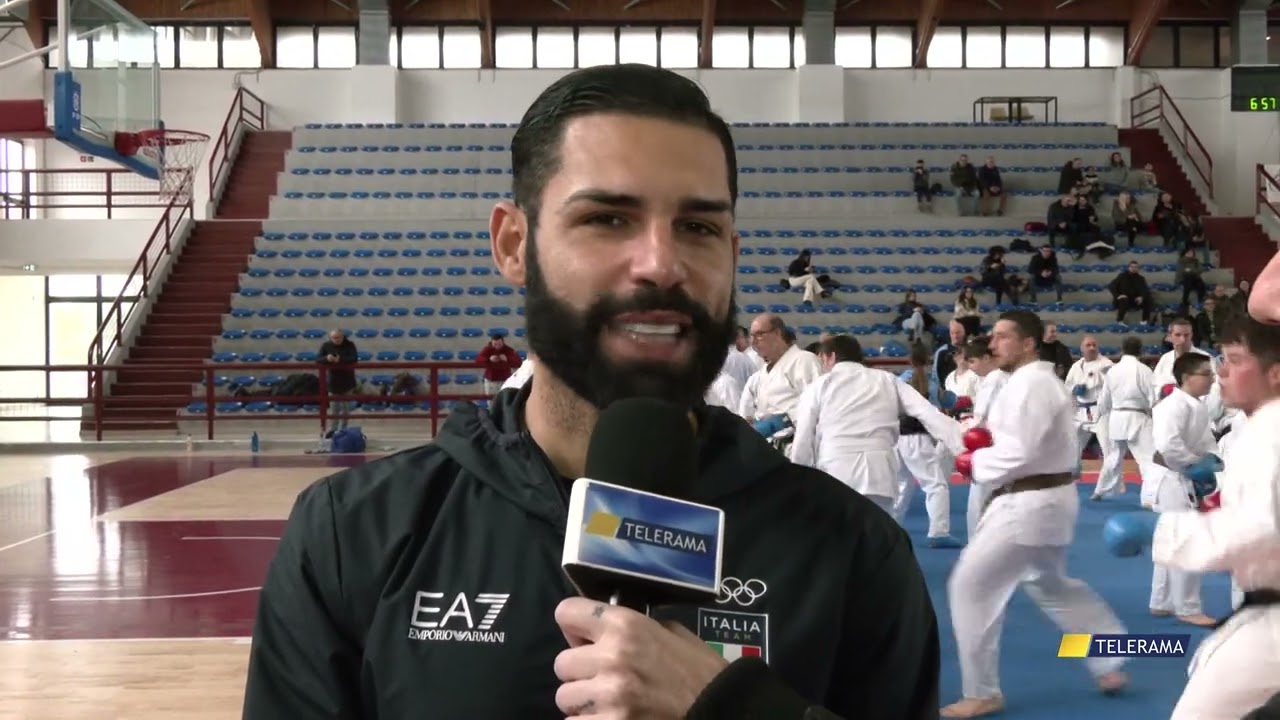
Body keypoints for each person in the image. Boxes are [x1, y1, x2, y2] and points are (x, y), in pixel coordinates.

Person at [241, 64, 941, 720]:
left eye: (698, 227)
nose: (661, 264)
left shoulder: (851, 549)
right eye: (607, 218)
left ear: (731, 256)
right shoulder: (353, 533)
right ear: (513, 245)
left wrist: (735, 708)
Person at [941, 310, 1128, 719]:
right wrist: (983, 445)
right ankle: (1108, 659)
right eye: (993, 336)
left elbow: (1020, 452)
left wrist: (976, 463)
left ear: (1028, 343)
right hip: (1045, 499)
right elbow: (1021, 444)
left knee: (970, 587)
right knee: (1050, 585)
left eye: (1003, 337)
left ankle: (982, 692)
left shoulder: (1032, 384)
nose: (993, 343)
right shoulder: (1027, 383)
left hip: (1028, 503)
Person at [1110, 314, 1280, 719]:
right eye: (1220, 362)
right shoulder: (1258, 425)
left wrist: (1162, 532)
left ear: (1275, 374)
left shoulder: (1270, 429)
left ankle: (1182, 604)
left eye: (1235, 360)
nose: (1221, 373)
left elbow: (1259, 529)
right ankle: (1166, 602)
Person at [789, 334, 965, 514]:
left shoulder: (819, 385)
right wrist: (961, 447)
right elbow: (927, 412)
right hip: (879, 472)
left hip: (836, 468)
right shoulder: (887, 379)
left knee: (839, 529)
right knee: (877, 528)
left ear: (831, 357)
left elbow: (804, 434)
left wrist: (797, 477)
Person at [1147, 352, 1218, 627]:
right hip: (1173, 478)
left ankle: (1161, 601)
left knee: (1169, 539)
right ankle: (1188, 607)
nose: (1212, 379)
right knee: (1186, 540)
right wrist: (1194, 465)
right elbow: (1168, 447)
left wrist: (1213, 462)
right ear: (1187, 377)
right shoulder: (1172, 406)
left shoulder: (1194, 405)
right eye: (1206, 374)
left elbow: (1206, 442)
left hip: (1183, 477)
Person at [893, 343, 966, 548]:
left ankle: (890, 524)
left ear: (909, 360)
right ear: (929, 360)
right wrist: (954, 399)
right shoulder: (931, 382)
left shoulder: (900, 380)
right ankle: (938, 532)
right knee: (936, 485)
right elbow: (946, 402)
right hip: (917, 438)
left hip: (897, 437)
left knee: (903, 484)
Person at [1095, 336, 1158, 506]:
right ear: (1141, 351)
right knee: (1147, 459)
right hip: (1138, 417)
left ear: (1122, 350)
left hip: (1117, 417)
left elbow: (1104, 399)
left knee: (1113, 456)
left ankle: (1101, 490)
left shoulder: (1112, 371)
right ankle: (1150, 497)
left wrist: (1101, 414)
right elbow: (1153, 398)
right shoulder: (1144, 370)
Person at [738, 312, 823, 437]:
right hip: (768, 441)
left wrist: (784, 419)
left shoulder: (804, 360)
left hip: (794, 439)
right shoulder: (762, 373)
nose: (754, 342)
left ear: (777, 333)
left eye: (759, 335)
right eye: (752, 337)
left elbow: (818, 405)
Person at [961, 337, 1008, 540]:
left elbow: (980, 419)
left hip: (990, 446)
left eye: (973, 361)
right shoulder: (1008, 376)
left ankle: (976, 545)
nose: (970, 367)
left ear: (987, 358)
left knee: (979, 499)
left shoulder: (993, 378)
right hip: (1009, 445)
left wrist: (961, 428)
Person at [1064, 336, 1117, 499]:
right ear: (1082, 348)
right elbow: (1067, 386)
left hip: (1100, 411)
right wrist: (1074, 390)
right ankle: (1071, 478)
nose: (1092, 347)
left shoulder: (1106, 365)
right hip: (1081, 411)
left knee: (1109, 450)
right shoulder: (1076, 366)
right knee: (1072, 446)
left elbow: (1114, 385)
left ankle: (1103, 489)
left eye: (1094, 345)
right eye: (1088, 345)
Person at [318, 328, 358, 434]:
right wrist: (327, 358)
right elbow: (318, 359)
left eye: (339, 337)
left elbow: (354, 358)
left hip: (347, 380)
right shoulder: (326, 346)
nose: (337, 340)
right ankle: (333, 430)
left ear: (343, 337)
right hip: (333, 381)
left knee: (345, 409)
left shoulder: (350, 345)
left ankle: (343, 430)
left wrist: (340, 360)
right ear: (330, 338)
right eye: (334, 338)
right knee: (334, 408)